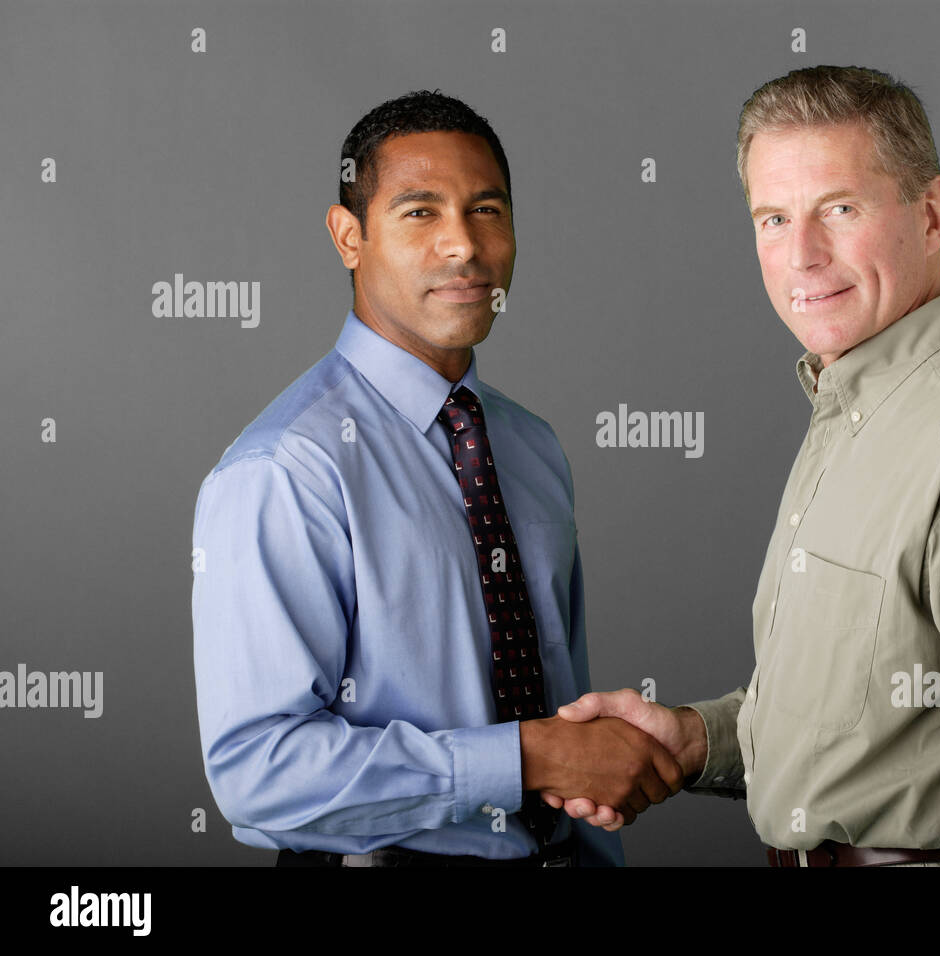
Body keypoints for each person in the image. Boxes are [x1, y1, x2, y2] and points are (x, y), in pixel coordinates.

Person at [544, 65, 940, 867]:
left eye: (839, 209)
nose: (802, 257)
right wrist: (691, 741)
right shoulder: (848, 403)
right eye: (774, 218)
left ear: (931, 214)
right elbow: (870, 727)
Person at [191, 89, 683, 868]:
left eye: (486, 210)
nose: (464, 246)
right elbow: (258, 773)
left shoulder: (529, 448)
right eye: (420, 212)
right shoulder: (286, 469)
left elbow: (566, 718)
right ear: (348, 236)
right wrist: (524, 759)